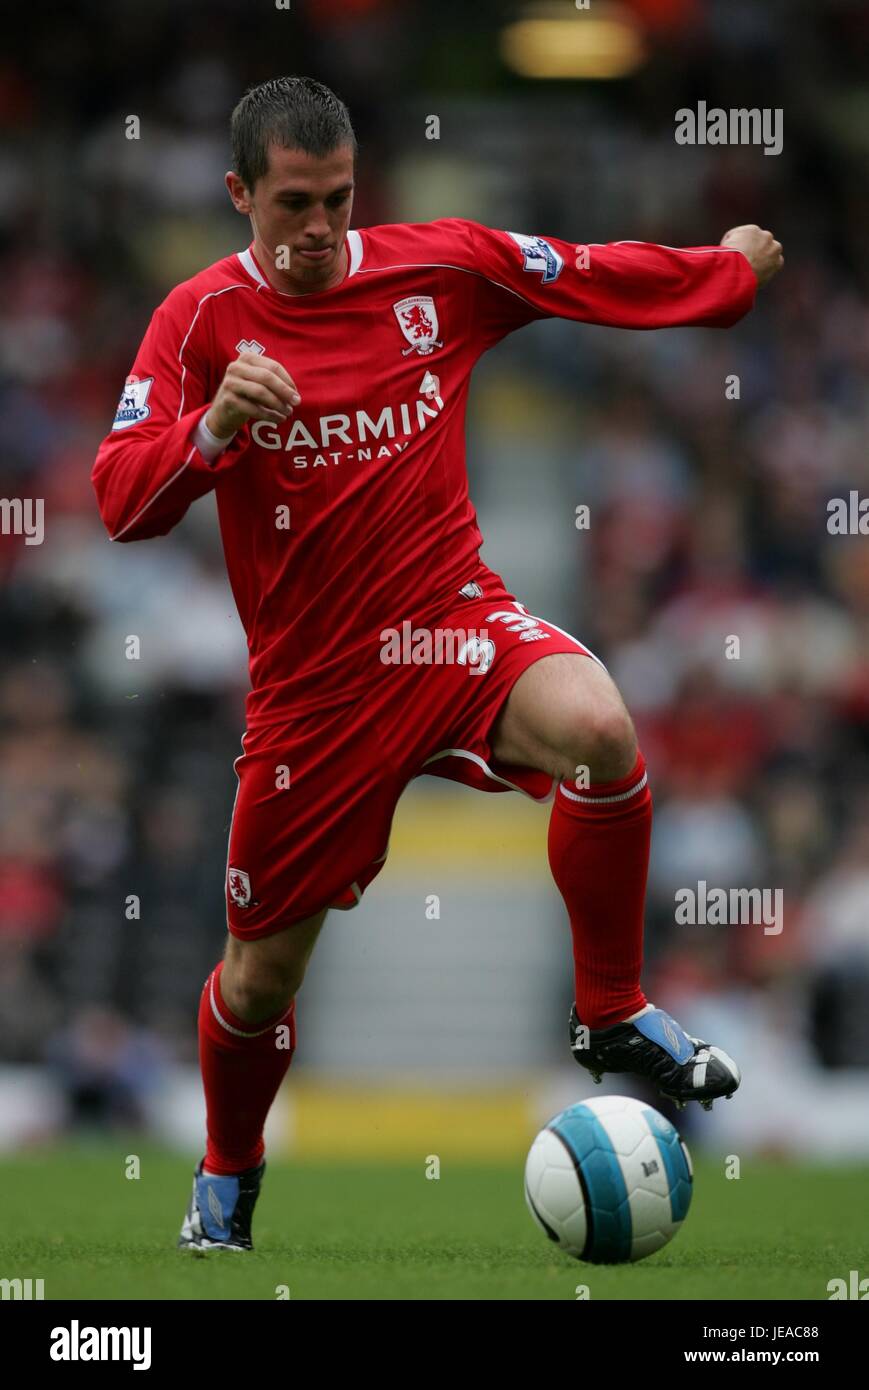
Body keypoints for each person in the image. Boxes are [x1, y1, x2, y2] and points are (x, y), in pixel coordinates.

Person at [91, 75, 784, 1251]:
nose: (317, 229)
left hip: (452, 625)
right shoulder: (198, 323)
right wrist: (209, 434)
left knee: (603, 730)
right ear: (238, 195)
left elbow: (583, 271)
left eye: (338, 200)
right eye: (292, 205)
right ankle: (227, 1172)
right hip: (312, 696)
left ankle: (608, 1009)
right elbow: (119, 501)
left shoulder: (438, 269)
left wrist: (720, 277)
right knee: (256, 982)